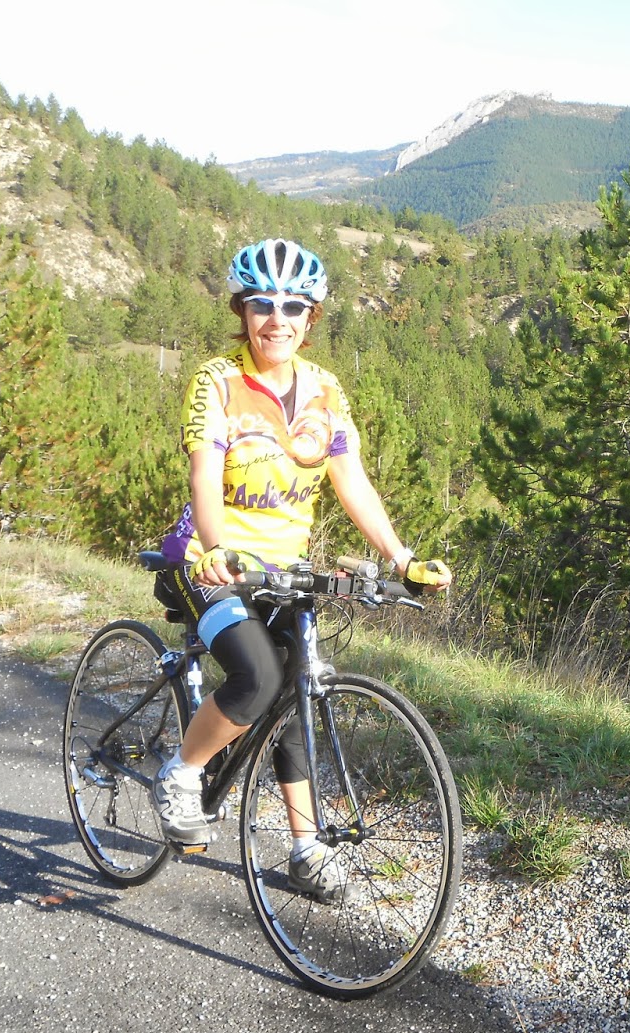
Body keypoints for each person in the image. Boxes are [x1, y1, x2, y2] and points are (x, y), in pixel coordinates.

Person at [151, 237, 450, 897]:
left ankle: (306, 845)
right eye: (262, 305)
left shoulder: (324, 390)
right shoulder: (218, 382)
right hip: (211, 560)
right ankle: (182, 772)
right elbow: (204, 475)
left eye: (292, 306)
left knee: (294, 698)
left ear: (311, 316)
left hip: (283, 568)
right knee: (257, 677)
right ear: (243, 309)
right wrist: (216, 547)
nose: (276, 319)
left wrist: (400, 558)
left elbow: (352, 482)